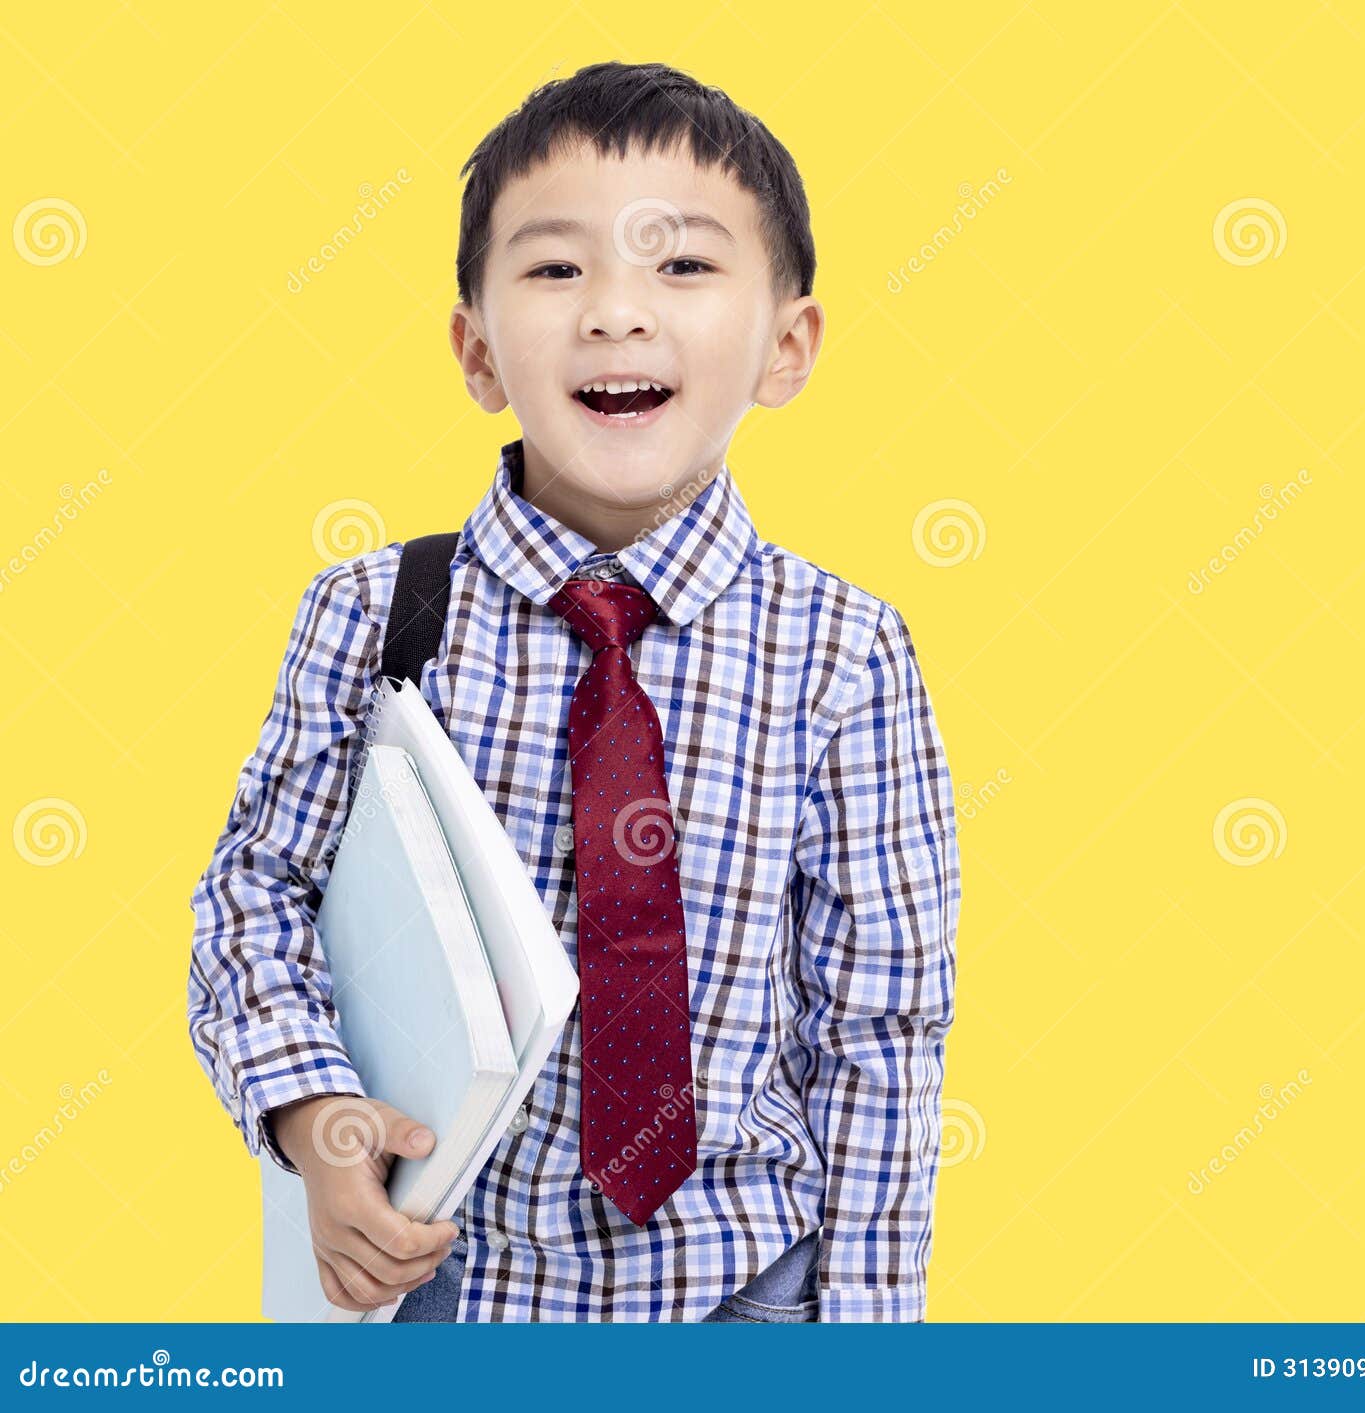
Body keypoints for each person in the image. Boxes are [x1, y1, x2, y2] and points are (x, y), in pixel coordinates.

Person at [187, 59, 960, 1323]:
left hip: (738, 1293)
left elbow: (880, 1029)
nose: (615, 313)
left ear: (785, 347)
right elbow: (253, 898)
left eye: (683, 264)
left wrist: (868, 1347)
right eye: (556, 268)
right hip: (444, 1287)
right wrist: (315, 1116)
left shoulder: (847, 652)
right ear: (476, 349)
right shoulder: (376, 615)